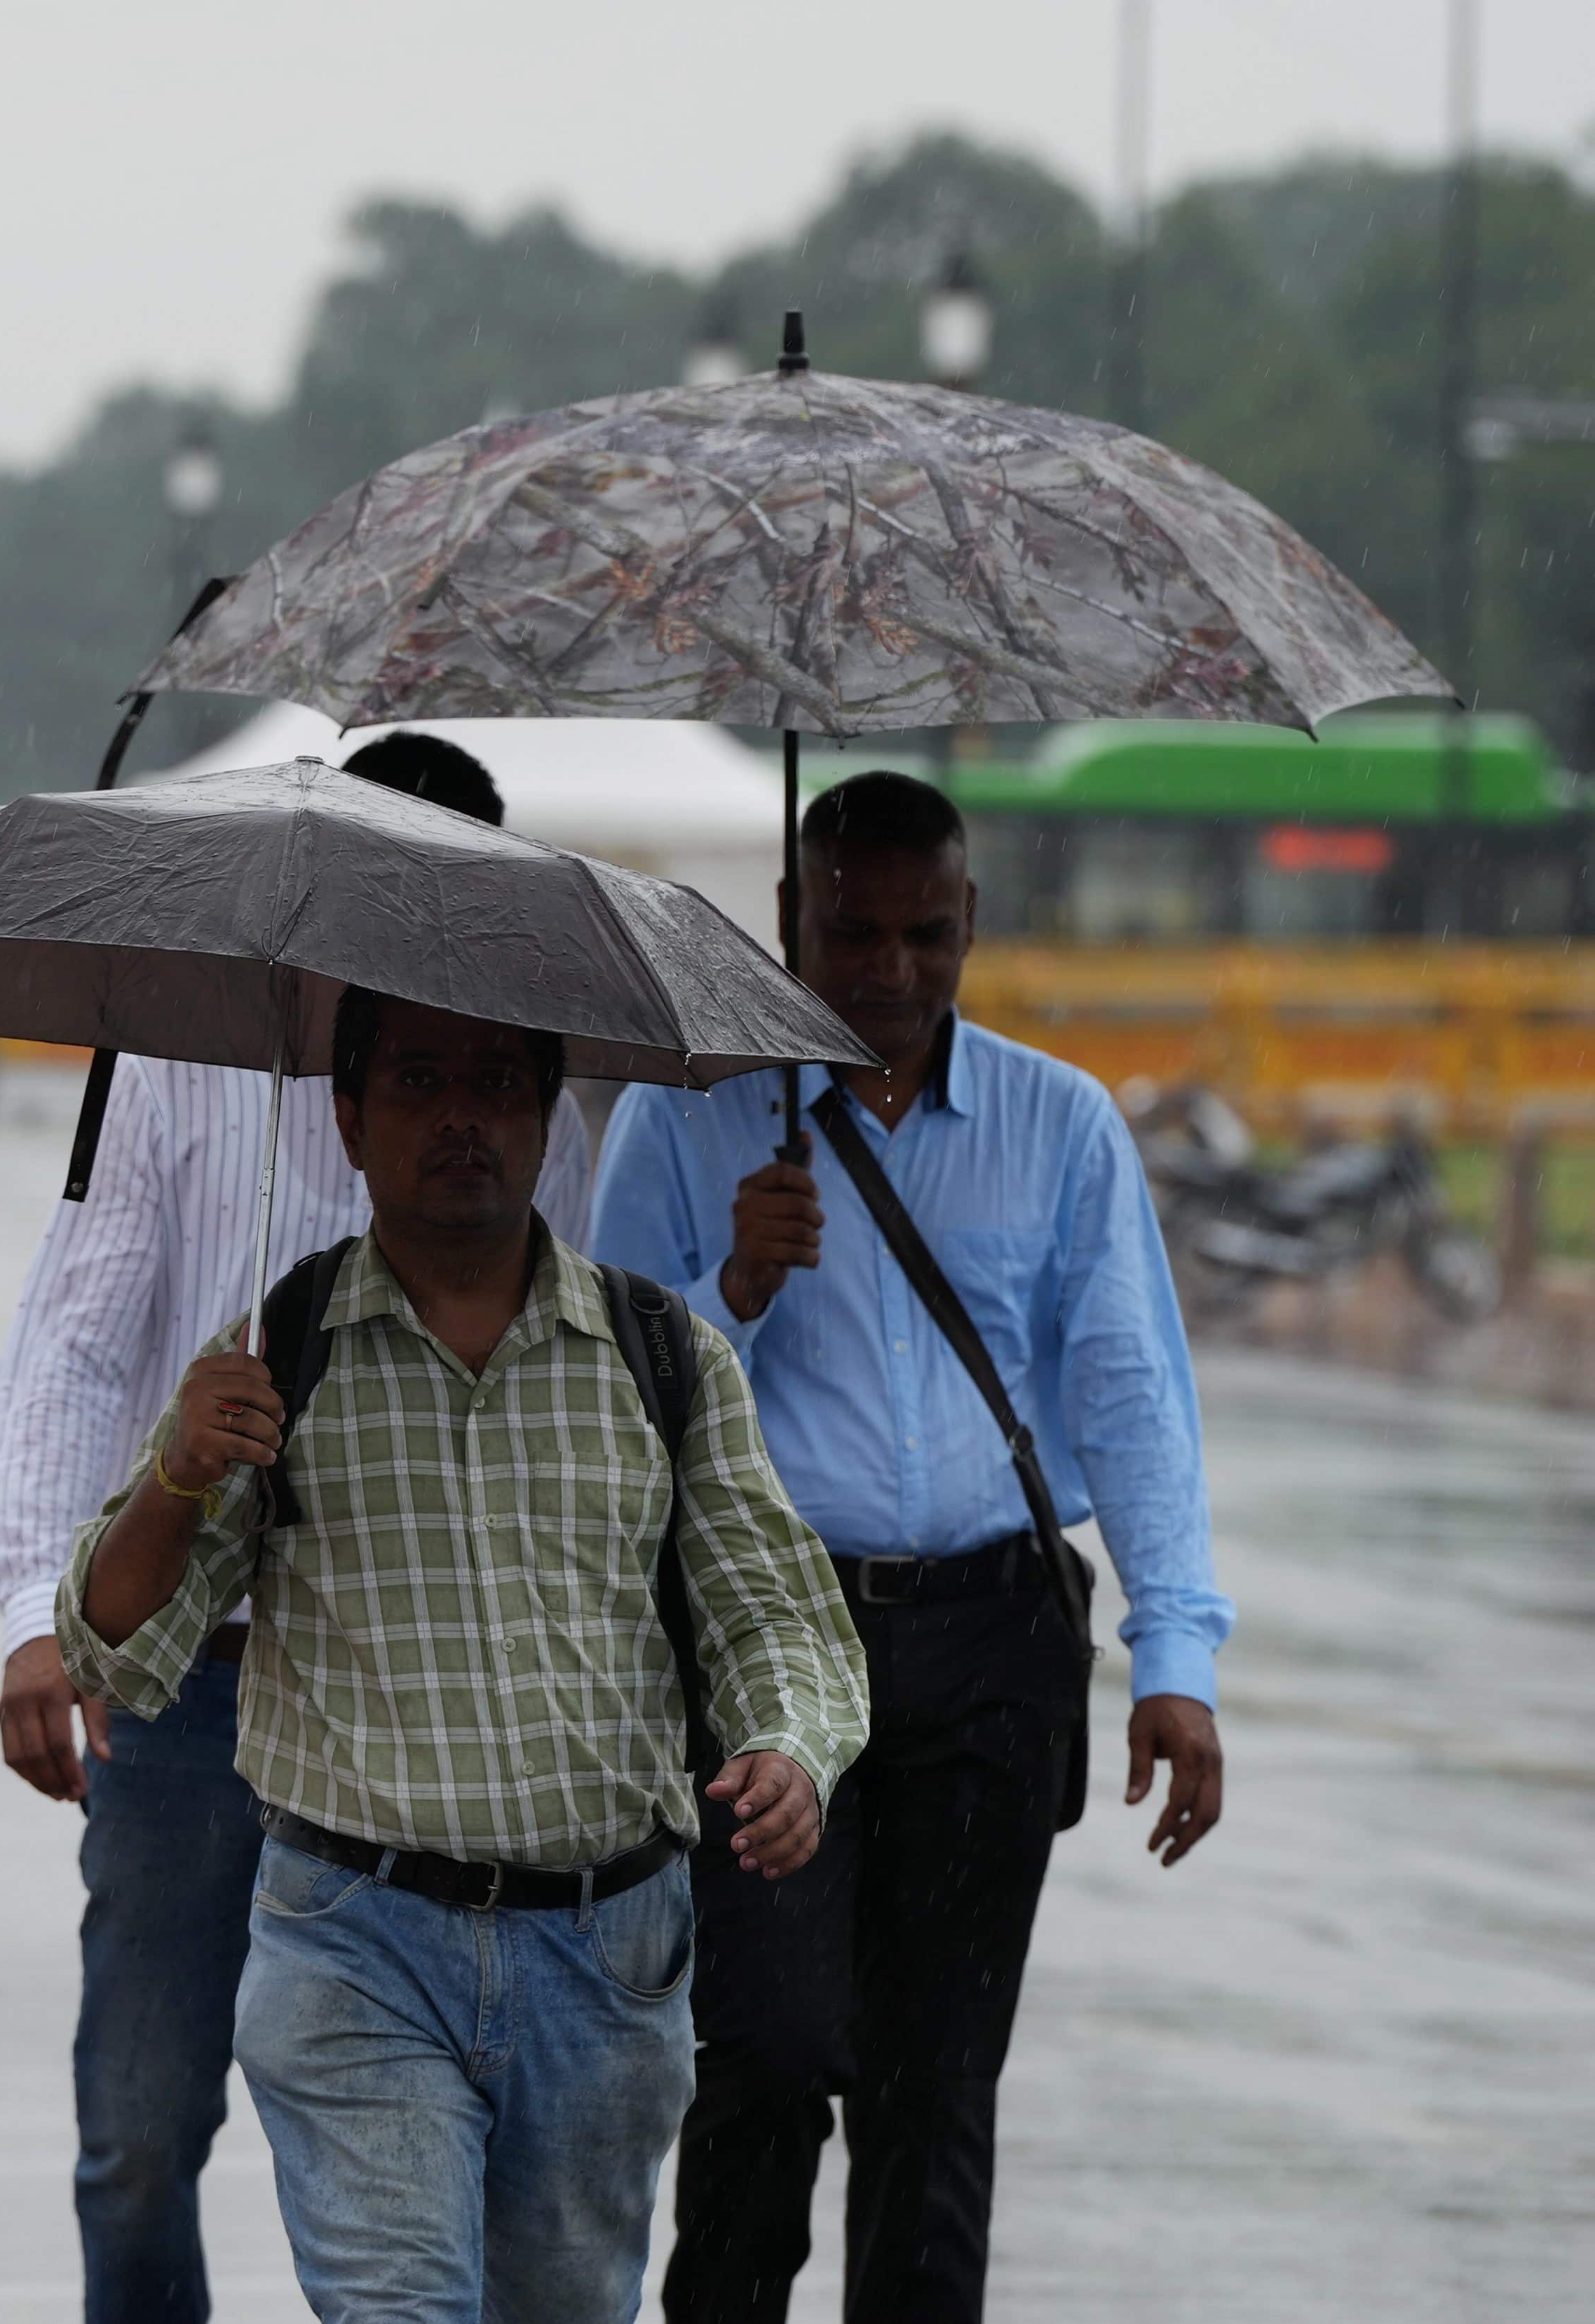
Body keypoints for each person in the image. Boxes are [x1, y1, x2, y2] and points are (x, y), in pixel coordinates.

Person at [57, 991, 868, 2323]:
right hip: (354, 1946)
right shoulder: (279, 1356)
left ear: (550, 1119)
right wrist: (177, 1467)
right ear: (348, 1118)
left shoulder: (665, 1353)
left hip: (606, 1958)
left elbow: (772, 1611)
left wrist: (789, 1744)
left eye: (499, 1082)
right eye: (421, 1081)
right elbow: (118, 1642)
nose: (462, 1118)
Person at [588, 771, 1234, 2324]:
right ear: (787, 924)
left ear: (971, 927)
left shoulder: (1062, 1125)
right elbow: (598, 1401)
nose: (887, 969)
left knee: (937, 2086)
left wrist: (1178, 1654)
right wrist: (733, 1276)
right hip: (765, 1639)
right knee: (770, 2052)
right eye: (852, 931)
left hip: (991, 1635)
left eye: (924, 933)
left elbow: (1132, 1391)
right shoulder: (685, 1119)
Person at [0, 731, 597, 2324]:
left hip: (434, 1704)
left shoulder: (537, 1100)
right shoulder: (177, 1062)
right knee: (135, 2129)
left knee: (452, 2138)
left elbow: (586, 1367)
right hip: (194, 1693)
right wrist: (29, 1617)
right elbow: (73, 1340)